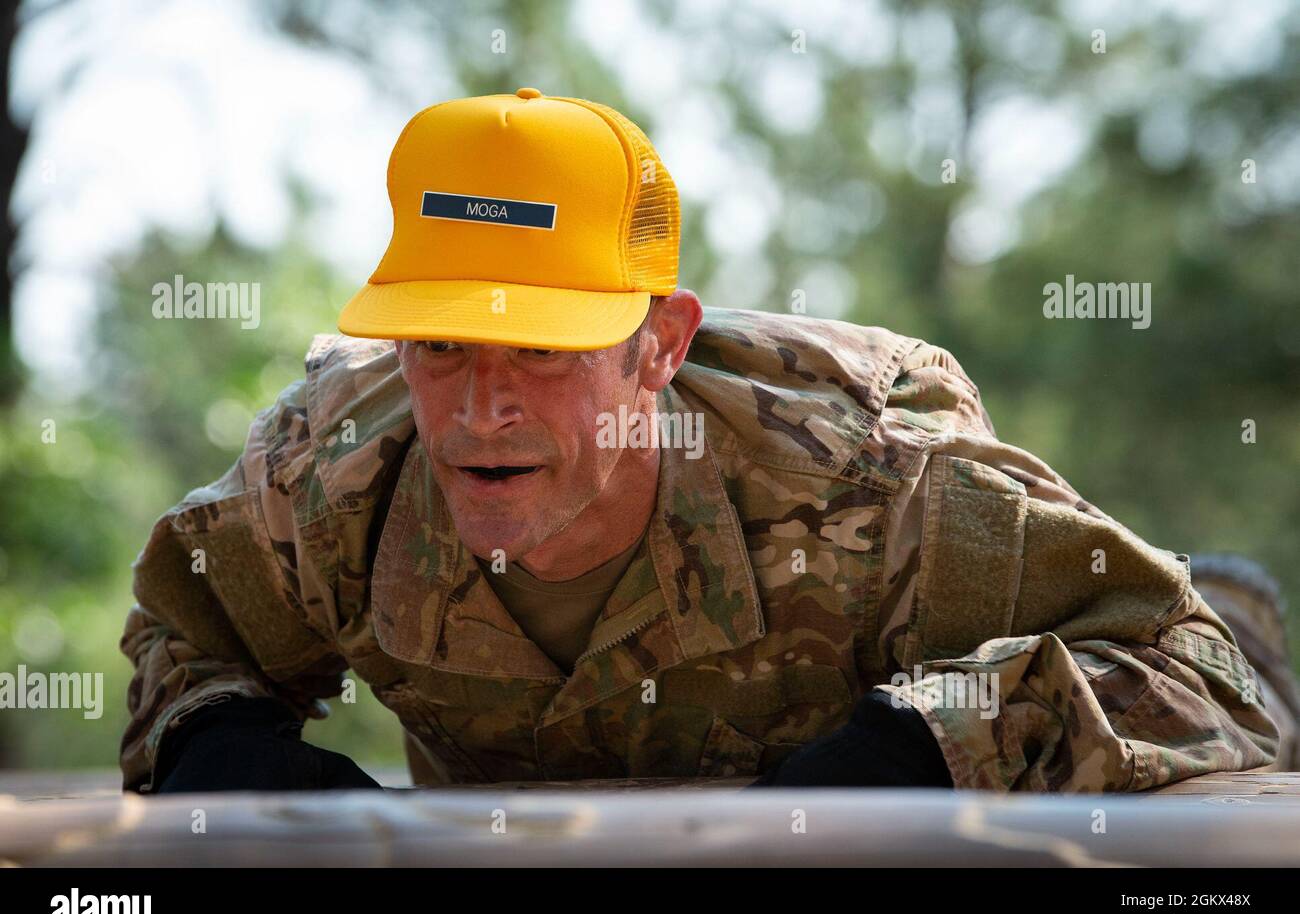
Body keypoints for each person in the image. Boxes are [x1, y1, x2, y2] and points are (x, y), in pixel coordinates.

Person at [120, 89, 1292, 794]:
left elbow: (1194, 677)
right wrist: (234, 757)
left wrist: (909, 757)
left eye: (542, 351)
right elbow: (188, 635)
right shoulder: (330, 476)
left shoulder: (868, 481)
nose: (481, 410)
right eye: (439, 348)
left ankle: (1233, 581)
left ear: (660, 343)